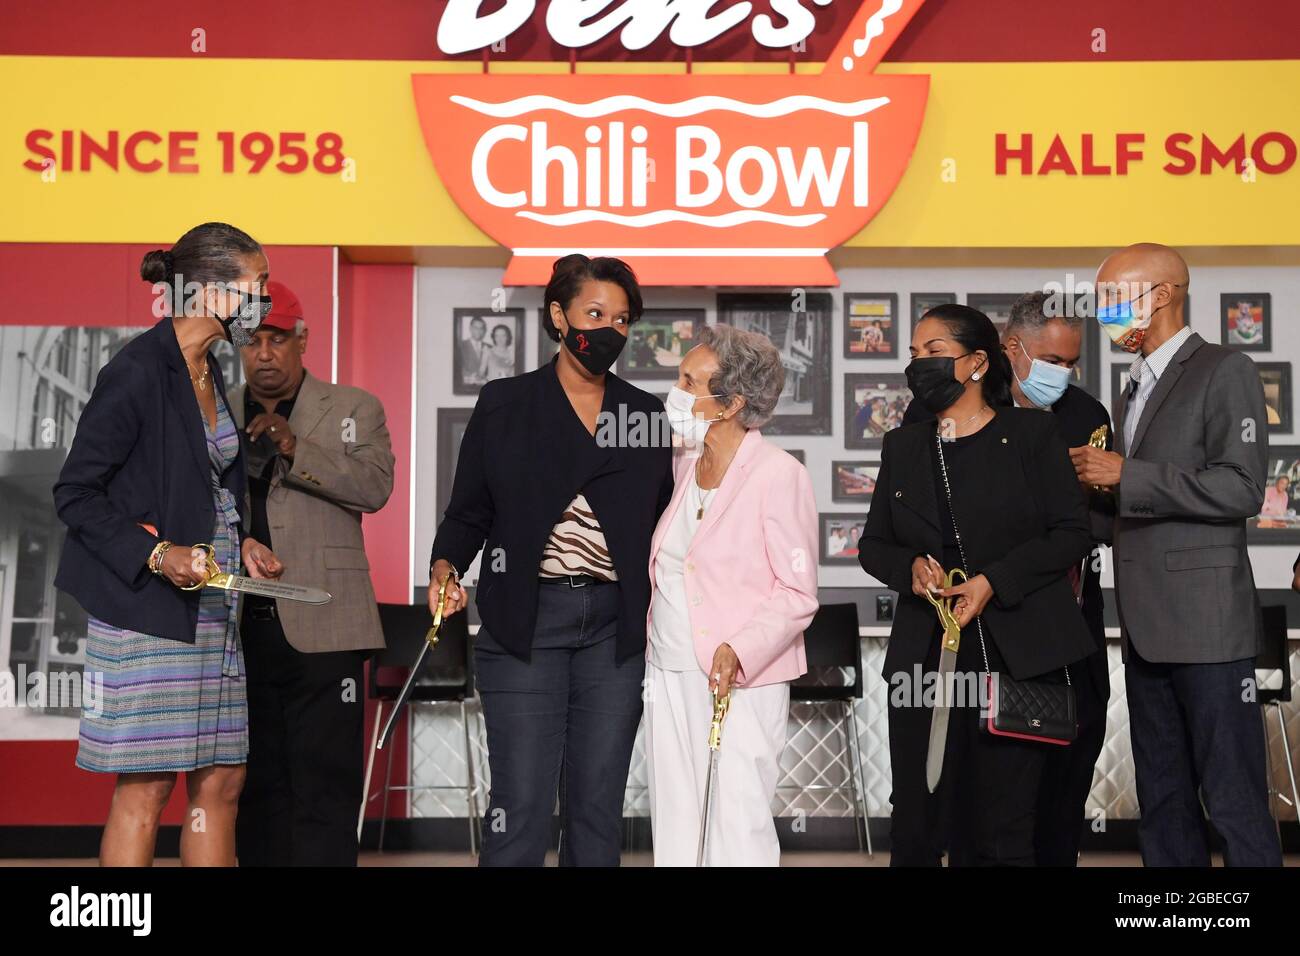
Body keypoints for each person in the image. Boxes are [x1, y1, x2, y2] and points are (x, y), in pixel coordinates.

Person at [428, 254, 673, 866]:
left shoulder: (643, 414)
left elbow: (665, 520)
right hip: (526, 623)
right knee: (522, 805)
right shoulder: (506, 404)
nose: (609, 331)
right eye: (595, 313)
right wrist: (445, 569)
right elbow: (468, 513)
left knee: (597, 809)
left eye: (622, 320)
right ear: (559, 316)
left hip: (615, 629)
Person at [52, 222, 283, 866]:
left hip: (214, 607)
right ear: (209, 291)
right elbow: (76, 494)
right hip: (148, 611)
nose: (263, 302)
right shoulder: (135, 371)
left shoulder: (208, 367)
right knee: (149, 783)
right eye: (254, 287)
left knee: (220, 780)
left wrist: (247, 538)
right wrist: (158, 554)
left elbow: (205, 482)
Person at [859, 304, 1095, 866]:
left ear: (977, 363)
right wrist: (911, 568)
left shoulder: (1032, 433)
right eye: (915, 354)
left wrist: (994, 581)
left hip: (1018, 659)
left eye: (934, 352)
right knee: (916, 825)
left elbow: (1071, 533)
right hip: (924, 660)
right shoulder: (904, 446)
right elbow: (874, 546)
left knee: (1002, 829)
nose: (919, 365)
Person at [1071, 242, 1282, 867]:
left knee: (1233, 794)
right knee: (1162, 797)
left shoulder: (1225, 369)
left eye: (1113, 297)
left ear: (1160, 295)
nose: (1104, 311)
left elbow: (1242, 487)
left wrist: (1126, 475)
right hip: (1144, 629)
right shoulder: (1131, 385)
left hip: (1209, 629)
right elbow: (1136, 507)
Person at [230, 280, 395, 866]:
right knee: (251, 786)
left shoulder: (353, 407)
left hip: (328, 622)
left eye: (277, 339)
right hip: (235, 624)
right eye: (252, 340)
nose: (264, 353)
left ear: (303, 340)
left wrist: (296, 447)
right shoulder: (214, 409)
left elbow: (374, 488)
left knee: (326, 784)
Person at [644, 324, 818, 866]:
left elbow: (797, 592)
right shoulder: (681, 466)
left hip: (738, 677)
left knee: (736, 822)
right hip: (666, 669)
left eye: (690, 382)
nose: (676, 392)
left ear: (732, 402)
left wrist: (739, 648)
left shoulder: (777, 475)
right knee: (676, 819)